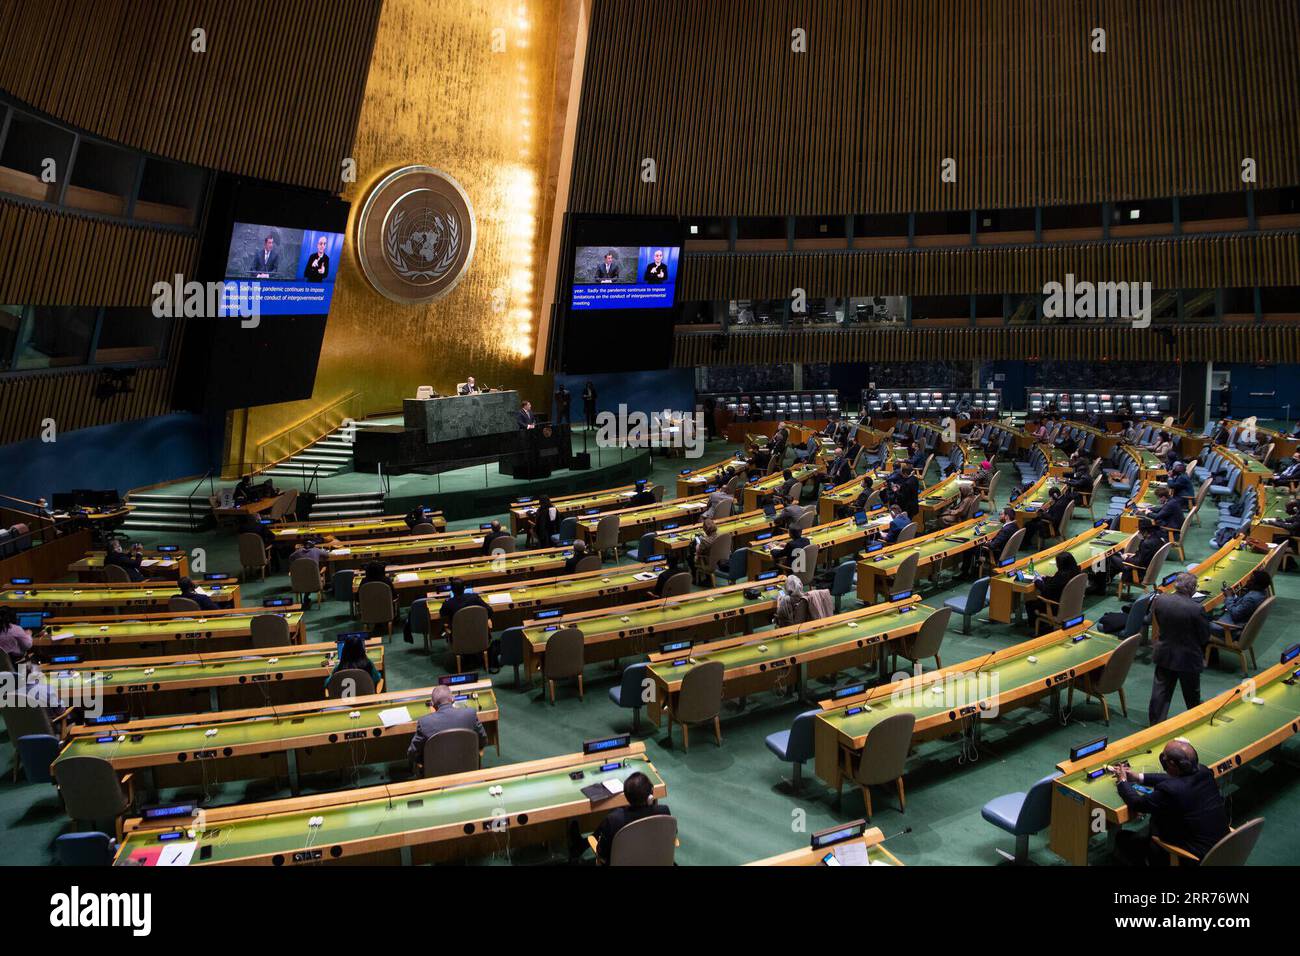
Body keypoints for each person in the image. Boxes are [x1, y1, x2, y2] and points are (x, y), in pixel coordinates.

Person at [1110, 740, 1229, 866]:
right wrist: (1138, 777)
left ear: (1171, 764)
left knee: (1122, 838)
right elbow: (1177, 779)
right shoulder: (1204, 772)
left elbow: (1137, 803)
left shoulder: (1170, 791)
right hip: (1222, 848)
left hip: (1193, 857)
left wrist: (1122, 781)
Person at [1148, 572, 1212, 724]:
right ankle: (1196, 723)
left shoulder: (1161, 600)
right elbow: (1204, 637)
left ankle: (1155, 726)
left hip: (1164, 653)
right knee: (1191, 696)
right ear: (1191, 589)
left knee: (1160, 693)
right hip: (1188, 658)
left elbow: (1159, 622)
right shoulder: (1196, 609)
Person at [591, 771, 669, 864]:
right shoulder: (663, 812)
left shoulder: (614, 820)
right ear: (650, 794)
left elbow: (602, 853)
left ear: (626, 796)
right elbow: (671, 837)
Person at [407, 685, 487, 767]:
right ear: (453, 699)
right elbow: (483, 740)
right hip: (467, 766)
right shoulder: (470, 714)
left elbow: (412, 754)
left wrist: (425, 762)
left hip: (436, 772)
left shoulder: (425, 723)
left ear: (432, 704)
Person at [1024, 551, 1081, 629]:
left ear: (1061, 564)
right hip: (1071, 603)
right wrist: (1046, 578)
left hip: (1055, 606)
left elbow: (1046, 590)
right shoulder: (1076, 570)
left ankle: (1037, 628)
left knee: (1030, 604)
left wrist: (1037, 581)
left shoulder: (1062, 575)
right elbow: (1055, 583)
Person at [1210, 570, 1270, 638]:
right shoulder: (1261, 593)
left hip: (1232, 628)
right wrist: (1233, 595)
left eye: (1251, 580)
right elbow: (1243, 605)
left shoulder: (1251, 599)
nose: (1248, 581)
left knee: (1202, 624)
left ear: (1256, 584)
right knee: (1209, 617)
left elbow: (1235, 613)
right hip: (1241, 620)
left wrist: (1229, 597)